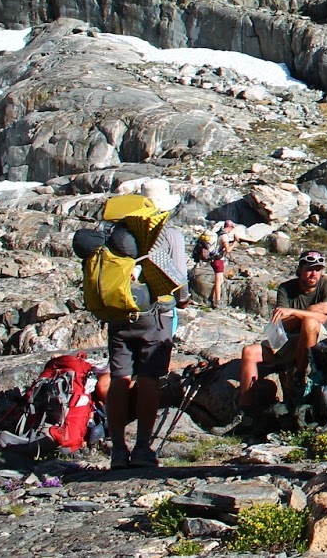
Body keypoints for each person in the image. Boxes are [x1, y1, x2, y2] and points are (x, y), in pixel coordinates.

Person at [106, 183, 188, 470]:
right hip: (155, 316)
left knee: (119, 379)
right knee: (149, 380)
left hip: (119, 315)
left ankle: (117, 450)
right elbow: (179, 284)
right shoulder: (168, 236)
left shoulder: (117, 235)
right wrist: (183, 300)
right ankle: (142, 447)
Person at [238, 250, 327, 413]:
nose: (314, 274)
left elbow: (324, 314)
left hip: (321, 342)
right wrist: (312, 310)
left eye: (318, 269)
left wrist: (294, 312)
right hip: (293, 339)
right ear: (300, 270)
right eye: (309, 269)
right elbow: (284, 324)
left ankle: (303, 376)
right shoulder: (286, 288)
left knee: (310, 322)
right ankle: (246, 410)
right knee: (249, 352)